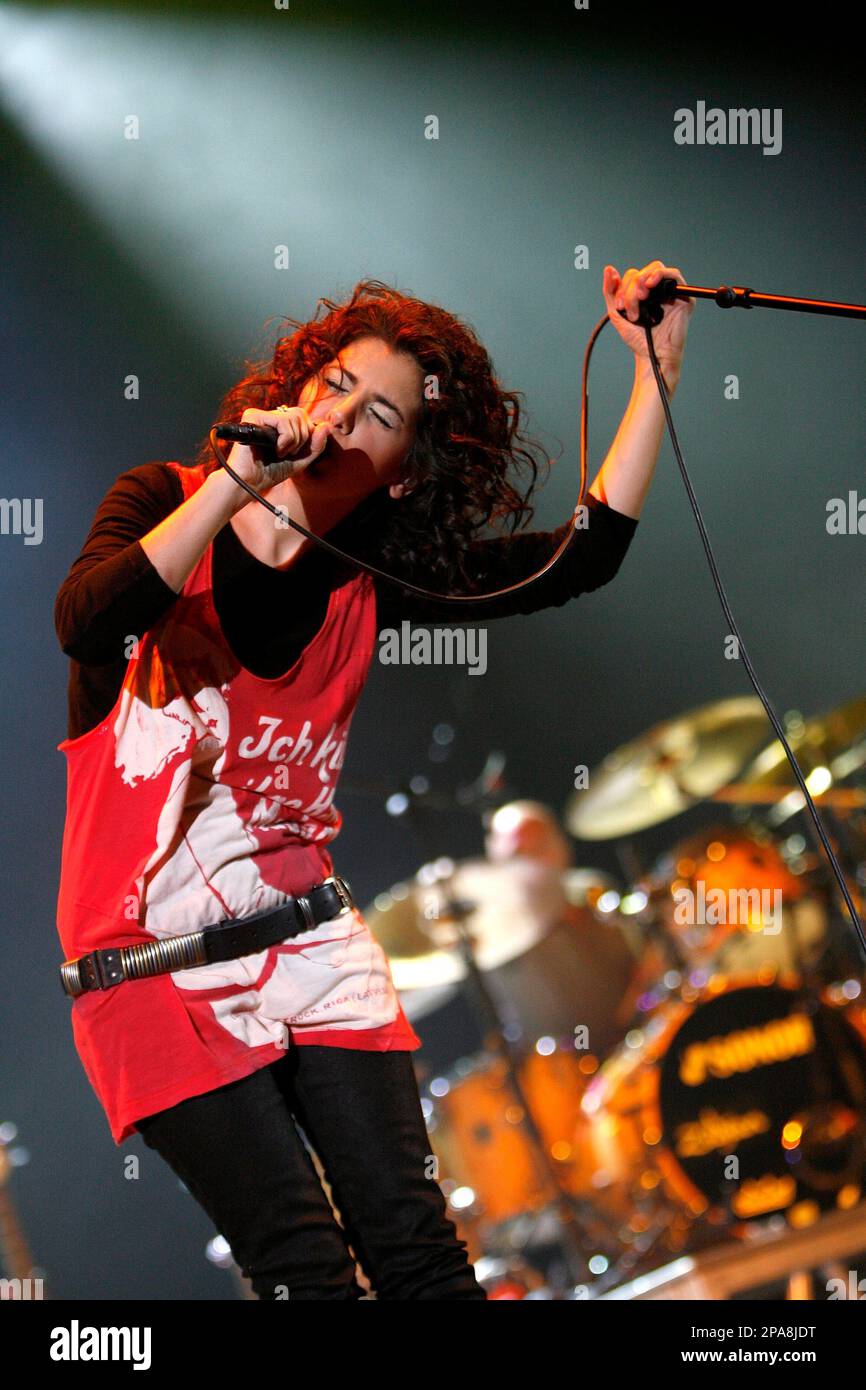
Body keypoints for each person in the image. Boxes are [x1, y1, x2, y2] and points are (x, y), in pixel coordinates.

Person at [53, 264, 693, 1300]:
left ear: (401, 469)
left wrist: (654, 371)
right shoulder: (164, 501)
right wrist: (232, 484)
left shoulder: (370, 583)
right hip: (147, 973)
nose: (339, 410)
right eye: (336, 381)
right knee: (308, 1273)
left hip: (311, 941)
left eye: (380, 412)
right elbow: (86, 621)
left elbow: (580, 557)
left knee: (420, 1254)